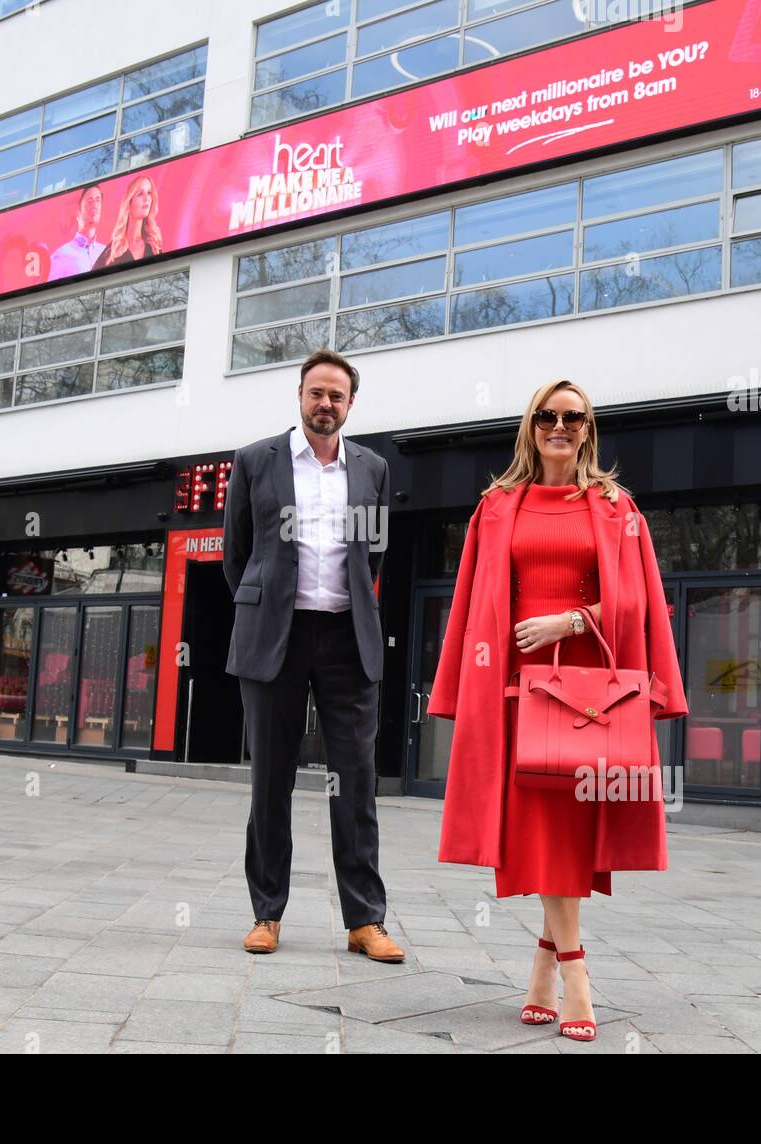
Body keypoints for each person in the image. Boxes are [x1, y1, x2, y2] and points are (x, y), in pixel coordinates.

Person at [428, 379, 687, 1042]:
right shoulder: (495, 506)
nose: (560, 426)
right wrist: (459, 684)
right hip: (513, 694)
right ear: (531, 426)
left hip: (586, 695)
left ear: (588, 429)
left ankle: (563, 966)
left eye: (573, 417)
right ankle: (560, 968)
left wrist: (565, 622)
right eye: (548, 415)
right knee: (540, 830)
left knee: (565, 832)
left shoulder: (614, 505)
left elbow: (637, 604)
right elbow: (470, 603)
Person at [222, 348, 403, 963]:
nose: (326, 404)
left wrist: (347, 601)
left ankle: (365, 922)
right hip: (277, 635)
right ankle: (266, 913)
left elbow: (372, 554)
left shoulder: (373, 468)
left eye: (338, 396)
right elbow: (238, 553)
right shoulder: (255, 461)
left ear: (351, 404)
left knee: (355, 784)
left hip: (347, 639)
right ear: (300, 396)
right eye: (316, 393)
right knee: (269, 781)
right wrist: (270, 605)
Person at [95, 175, 162, 268]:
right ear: (129, 203)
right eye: (140, 194)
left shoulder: (154, 247)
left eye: (149, 193)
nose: (146, 198)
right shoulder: (112, 251)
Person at [46, 182, 106, 281]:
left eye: (98, 200)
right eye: (89, 201)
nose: (94, 205)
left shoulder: (107, 253)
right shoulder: (61, 255)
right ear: (78, 210)